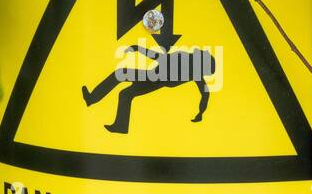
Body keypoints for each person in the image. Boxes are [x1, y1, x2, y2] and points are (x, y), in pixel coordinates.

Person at [82, 43, 214, 134]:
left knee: (121, 81)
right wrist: (201, 113)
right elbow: (205, 93)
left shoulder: (187, 61)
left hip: (152, 79)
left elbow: (159, 57)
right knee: (125, 93)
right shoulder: (194, 73)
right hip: (153, 78)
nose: (201, 51)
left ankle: (96, 102)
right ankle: (119, 125)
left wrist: (138, 48)